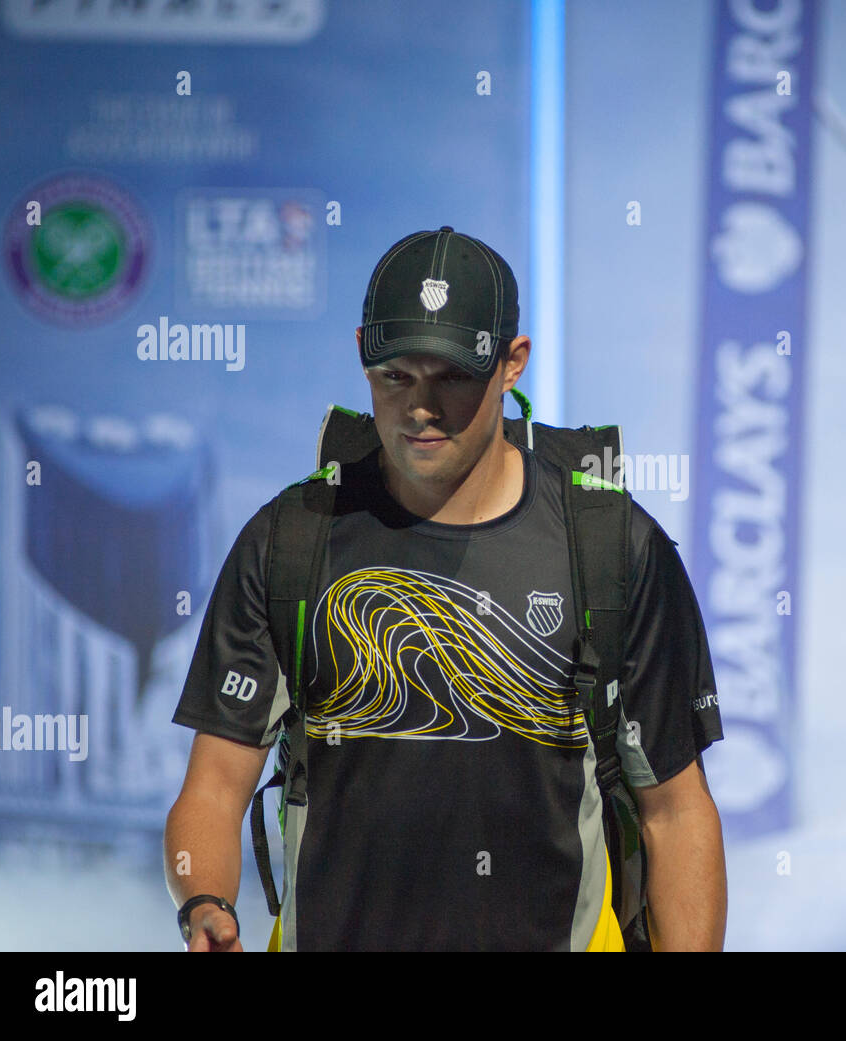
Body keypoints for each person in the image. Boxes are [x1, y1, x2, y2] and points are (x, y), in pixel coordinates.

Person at [164, 227, 727, 951]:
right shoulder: (290, 538)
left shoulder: (614, 547)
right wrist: (203, 899)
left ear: (511, 362)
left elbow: (677, 812)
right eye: (396, 376)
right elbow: (213, 784)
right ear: (362, 352)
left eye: (453, 375)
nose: (420, 406)